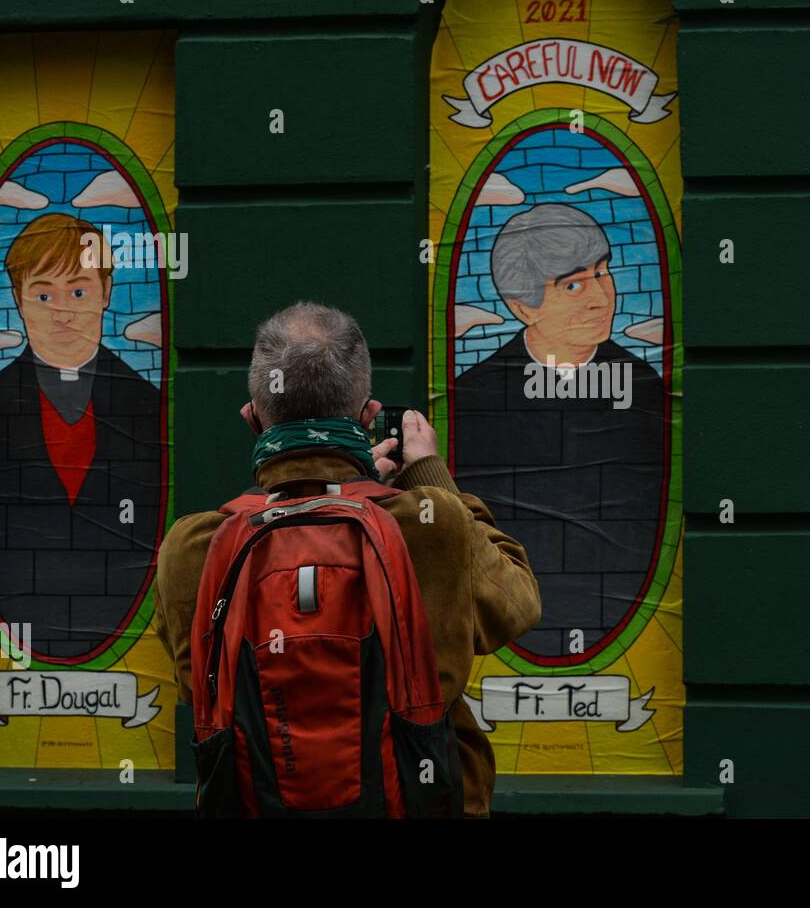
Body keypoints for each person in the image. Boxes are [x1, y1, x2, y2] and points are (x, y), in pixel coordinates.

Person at [154, 301, 541, 817]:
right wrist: (426, 477)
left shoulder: (193, 546)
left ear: (253, 418)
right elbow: (519, 605)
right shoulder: (430, 527)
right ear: (368, 417)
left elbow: (195, 687)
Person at [453, 203, 664, 658]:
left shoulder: (649, 393)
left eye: (603, 273)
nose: (602, 297)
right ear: (520, 307)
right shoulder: (471, 399)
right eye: (572, 284)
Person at [0, 213, 162, 661]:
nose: (62, 310)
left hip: (123, 627)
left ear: (107, 292)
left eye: (78, 290)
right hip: (13, 629)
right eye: (42, 293)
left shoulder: (149, 408)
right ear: (18, 300)